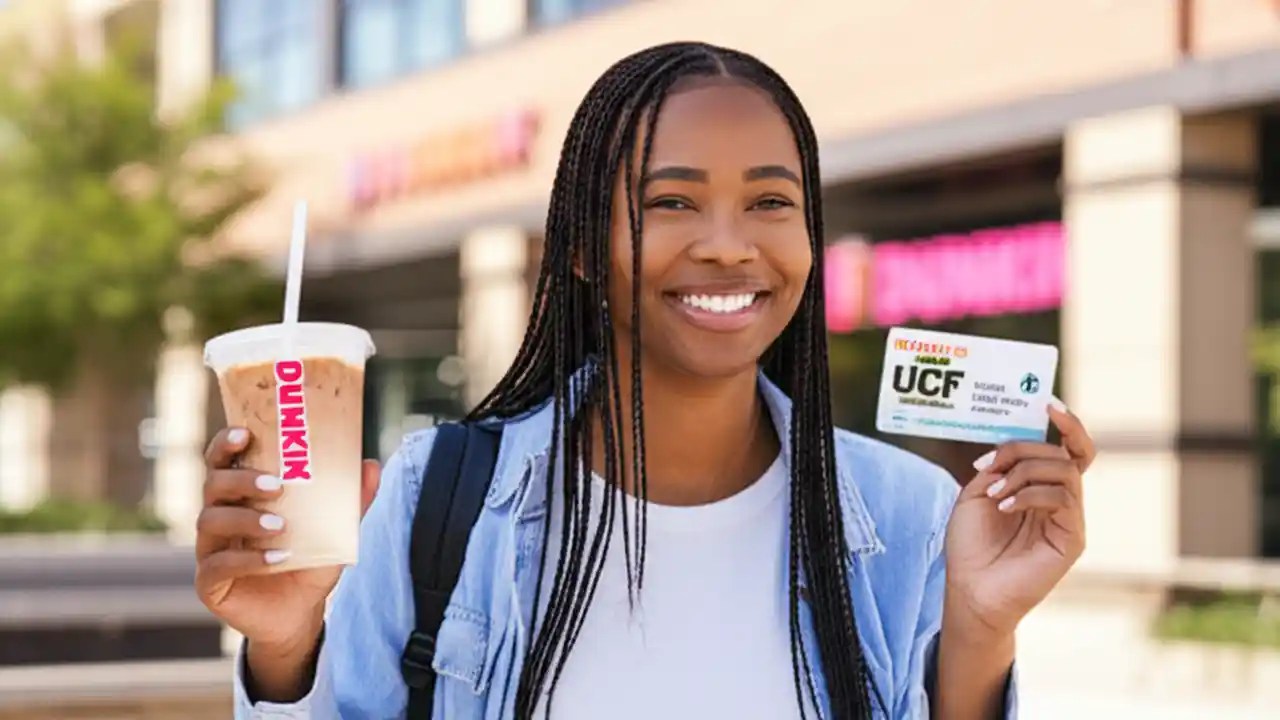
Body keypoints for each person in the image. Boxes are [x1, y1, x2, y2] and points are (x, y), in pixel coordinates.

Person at [197, 41, 1095, 720]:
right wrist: (283, 648)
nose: (729, 243)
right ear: (584, 248)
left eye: (771, 202)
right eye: (671, 201)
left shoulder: (906, 513)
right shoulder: (439, 496)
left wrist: (981, 625)